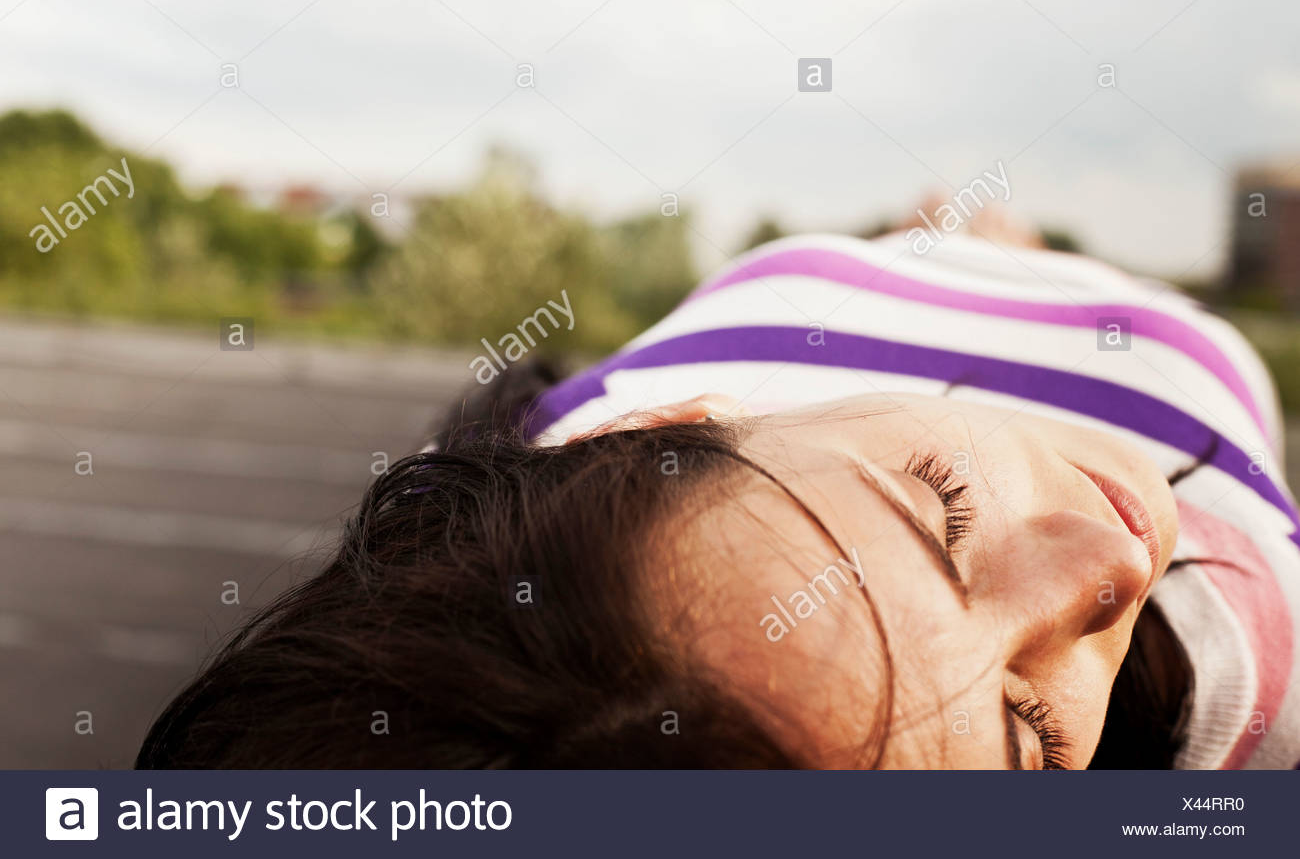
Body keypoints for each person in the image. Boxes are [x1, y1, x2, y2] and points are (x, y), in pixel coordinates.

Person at [136, 213, 1300, 769]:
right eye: (1032, 732)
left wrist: (939, 241)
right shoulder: (1254, 665)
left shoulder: (545, 507)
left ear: (670, 423)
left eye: (944, 505)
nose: (1107, 561)